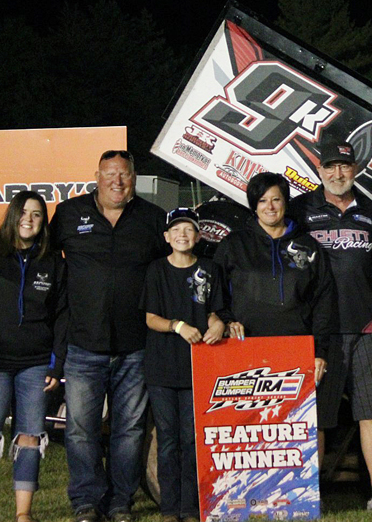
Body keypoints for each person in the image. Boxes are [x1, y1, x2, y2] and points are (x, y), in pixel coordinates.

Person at [51, 150, 168, 522]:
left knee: (129, 430)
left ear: (134, 177)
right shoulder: (69, 214)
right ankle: (86, 500)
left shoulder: (152, 218)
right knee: (81, 430)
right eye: (109, 174)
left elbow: (172, 268)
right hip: (84, 343)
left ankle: (120, 501)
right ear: (97, 176)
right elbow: (45, 261)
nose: (117, 181)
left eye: (124, 175)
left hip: (136, 345)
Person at [288, 141, 372, 515]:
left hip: (366, 325)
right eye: (331, 167)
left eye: (345, 167)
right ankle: (309, 494)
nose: (338, 174)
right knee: (316, 416)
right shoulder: (300, 209)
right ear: (320, 170)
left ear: (355, 170)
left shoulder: (370, 212)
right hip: (320, 333)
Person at [0, 191, 66, 522]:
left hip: (36, 364)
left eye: (37, 214)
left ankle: (23, 514)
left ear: (43, 222)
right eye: (24, 212)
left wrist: (55, 363)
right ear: (12, 215)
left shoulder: (53, 262)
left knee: (30, 436)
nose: (29, 219)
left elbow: (62, 315)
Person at [214, 171, 337, 393]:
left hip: (296, 348)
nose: (269, 207)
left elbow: (323, 302)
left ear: (285, 202)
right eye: (262, 200)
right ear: (253, 205)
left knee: (300, 425)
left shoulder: (308, 246)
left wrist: (320, 351)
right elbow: (216, 292)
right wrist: (227, 321)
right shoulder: (233, 244)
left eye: (276, 199)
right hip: (244, 348)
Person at [140, 208, 226, 522]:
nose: (182, 235)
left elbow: (216, 310)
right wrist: (178, 326)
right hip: (162, 367)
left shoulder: (209, 268)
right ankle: (168, 508)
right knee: (167, 438)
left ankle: (191, 507)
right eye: (176, 230)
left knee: (192, 439)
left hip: (198, 368)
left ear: (198, 235)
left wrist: (217, 321)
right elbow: (150, 318)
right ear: (166, 237)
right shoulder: (155, 270)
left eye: (188, 229)